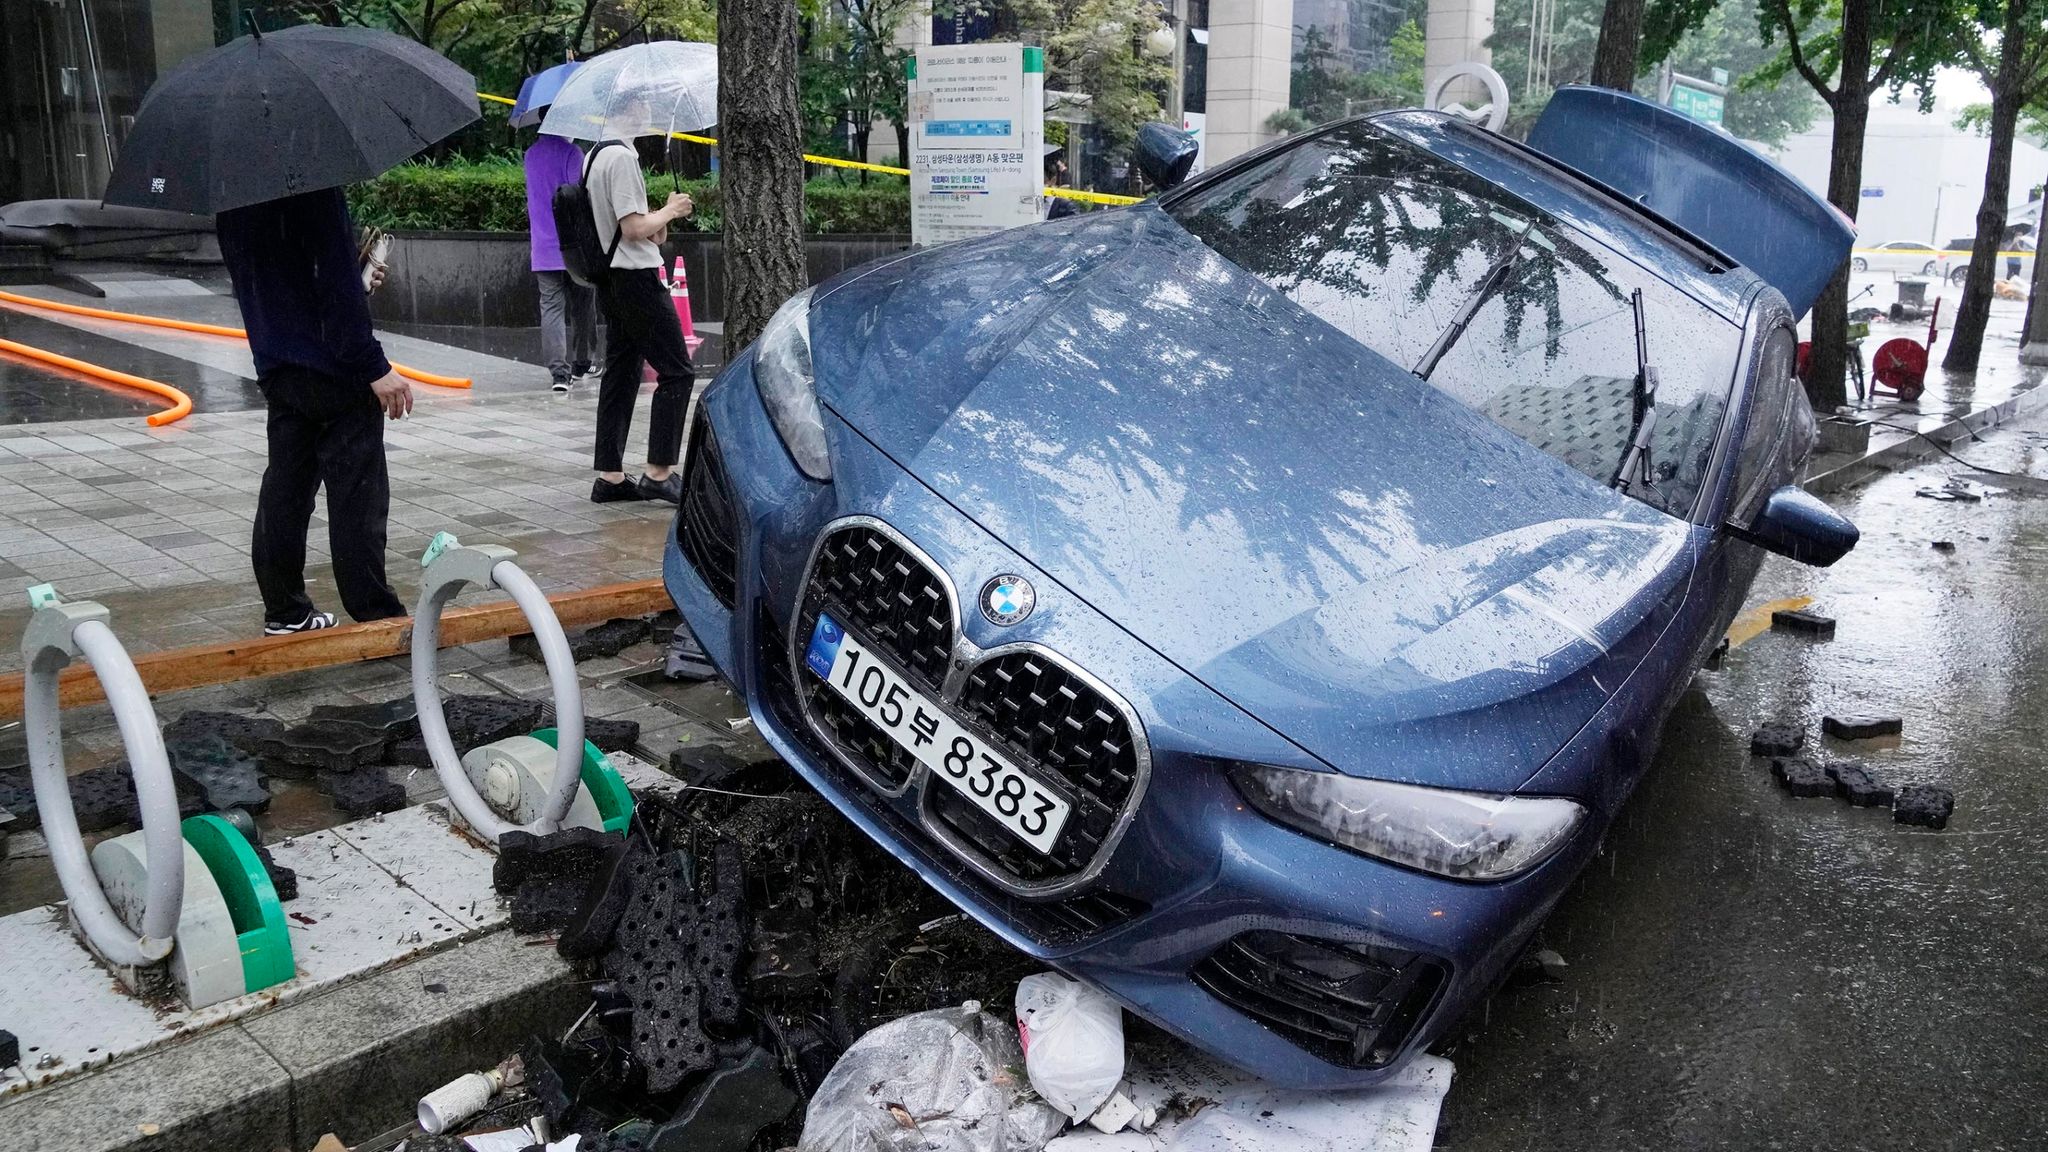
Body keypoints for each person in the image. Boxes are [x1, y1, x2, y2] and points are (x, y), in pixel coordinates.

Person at [215, 187, 411, 635]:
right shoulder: (311, 186)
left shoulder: (232, 197)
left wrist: (352, 276)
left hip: (278, 363)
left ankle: (285, 610)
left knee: (286, 488)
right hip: (335, 368)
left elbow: (269, 278)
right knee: (357, 497)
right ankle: (376, 615)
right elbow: (334, 287)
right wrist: (374, 366)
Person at [585, 136, 695, 504]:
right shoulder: (620, 159)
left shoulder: (595, 155)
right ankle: (658, 472)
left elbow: (638, 230)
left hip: (612, 279)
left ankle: (611, 476)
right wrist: (673, 210)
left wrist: (661, 216)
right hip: (636, 278)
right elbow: (633, 228)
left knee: (622, 370)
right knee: (678, 371)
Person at [525, 123, 597, 392]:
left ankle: (559, 374)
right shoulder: (572, 152)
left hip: (543, 246)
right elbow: (577, 195)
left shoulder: (530, 154)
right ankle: (581, 362)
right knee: (583, 304)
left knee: (551, 309)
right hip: (573, 245)